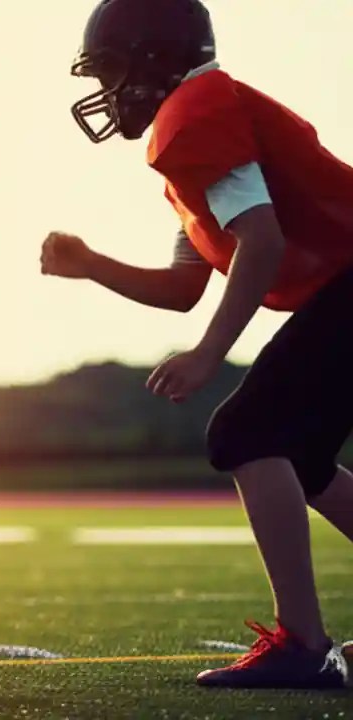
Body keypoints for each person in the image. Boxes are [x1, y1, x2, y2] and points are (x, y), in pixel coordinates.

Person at [44, 0, 352, 689]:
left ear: (155, 59)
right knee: (295, 453)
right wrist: (95, 265)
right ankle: (305, 642)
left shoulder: (198, 116)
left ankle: (304, 644)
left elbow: (263, 241)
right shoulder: (197, 134)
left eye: (113, 68)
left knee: (247, 430)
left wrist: (210, 353)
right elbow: (184, 287)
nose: (106, 86)